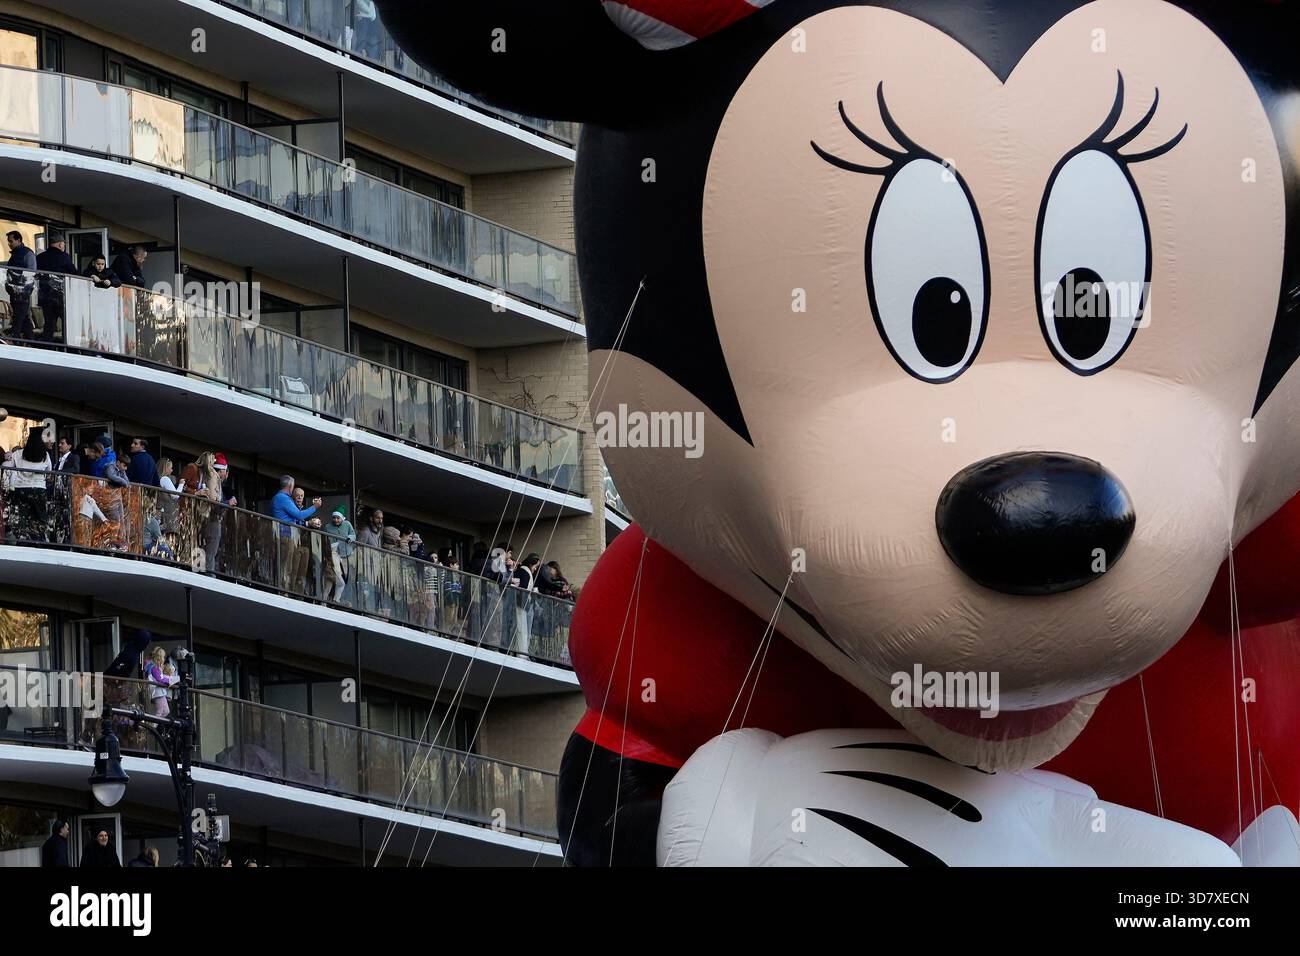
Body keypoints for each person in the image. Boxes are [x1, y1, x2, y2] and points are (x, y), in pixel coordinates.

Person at [270, 476, 321, 593]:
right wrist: (315, 507)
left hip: (286, 535)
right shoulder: (283, 498)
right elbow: (299, 515)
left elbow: (295, 518)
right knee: (286, 565)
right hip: (285, 535)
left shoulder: (279, 498)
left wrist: (309, 523)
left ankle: (289, 591)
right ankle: (283, 591)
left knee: (289, 566)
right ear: (290, 486)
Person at [1, 428, 52, 542]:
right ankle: (38, 541)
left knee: (22, 516)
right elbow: (49, 472)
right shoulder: (45, 455)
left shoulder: (18, 454)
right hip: (38, 489)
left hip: (20, 488)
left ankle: (22, 540)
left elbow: (10, 467)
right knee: (39, 517)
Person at [35, 231, 76, 343]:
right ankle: (67, 346)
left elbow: (36, 275)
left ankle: (47, 347)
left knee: (49, 324)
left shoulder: (40, 257)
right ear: (60, 244)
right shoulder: (64, 257)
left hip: (45, 296)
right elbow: (74, 273)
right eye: (64, 244)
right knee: (66, 322)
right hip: (60, 296)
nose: (64, 246)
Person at [4, 231, 37, 339]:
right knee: (23, 317)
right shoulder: (15, 254)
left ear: (18, 240)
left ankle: (15, 339)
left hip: (22, 293)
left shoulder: (27, 254)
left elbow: (31, 273)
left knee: (18, 317)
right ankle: (31, 341)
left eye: (11, 241)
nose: (9, 244)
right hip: (14, 291)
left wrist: (23, 290)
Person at [322, 506, 355, 604]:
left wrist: (350, 538)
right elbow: (325, 540)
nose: (336, 520)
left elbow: (353, 534)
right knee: (336, 578)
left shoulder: (347, 524)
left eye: (338, 518)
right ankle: (335, 600)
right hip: (333, 554)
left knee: (343, 577)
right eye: (334, 518)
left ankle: (327, 600)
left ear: (342, 518)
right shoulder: (328, 527)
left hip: (346, 555)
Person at [145, 646, 180, 718]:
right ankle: (153, 726)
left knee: (166, 711)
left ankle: (157, 725)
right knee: (160, 711)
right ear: (159, 658)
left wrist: (173, 679)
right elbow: (160, 679)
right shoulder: (154, 668)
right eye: (163, 657)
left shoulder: (157, 668)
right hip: (158, 693)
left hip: (161, 693)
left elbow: (162, 677)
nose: (164, 659)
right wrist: (169, 681)